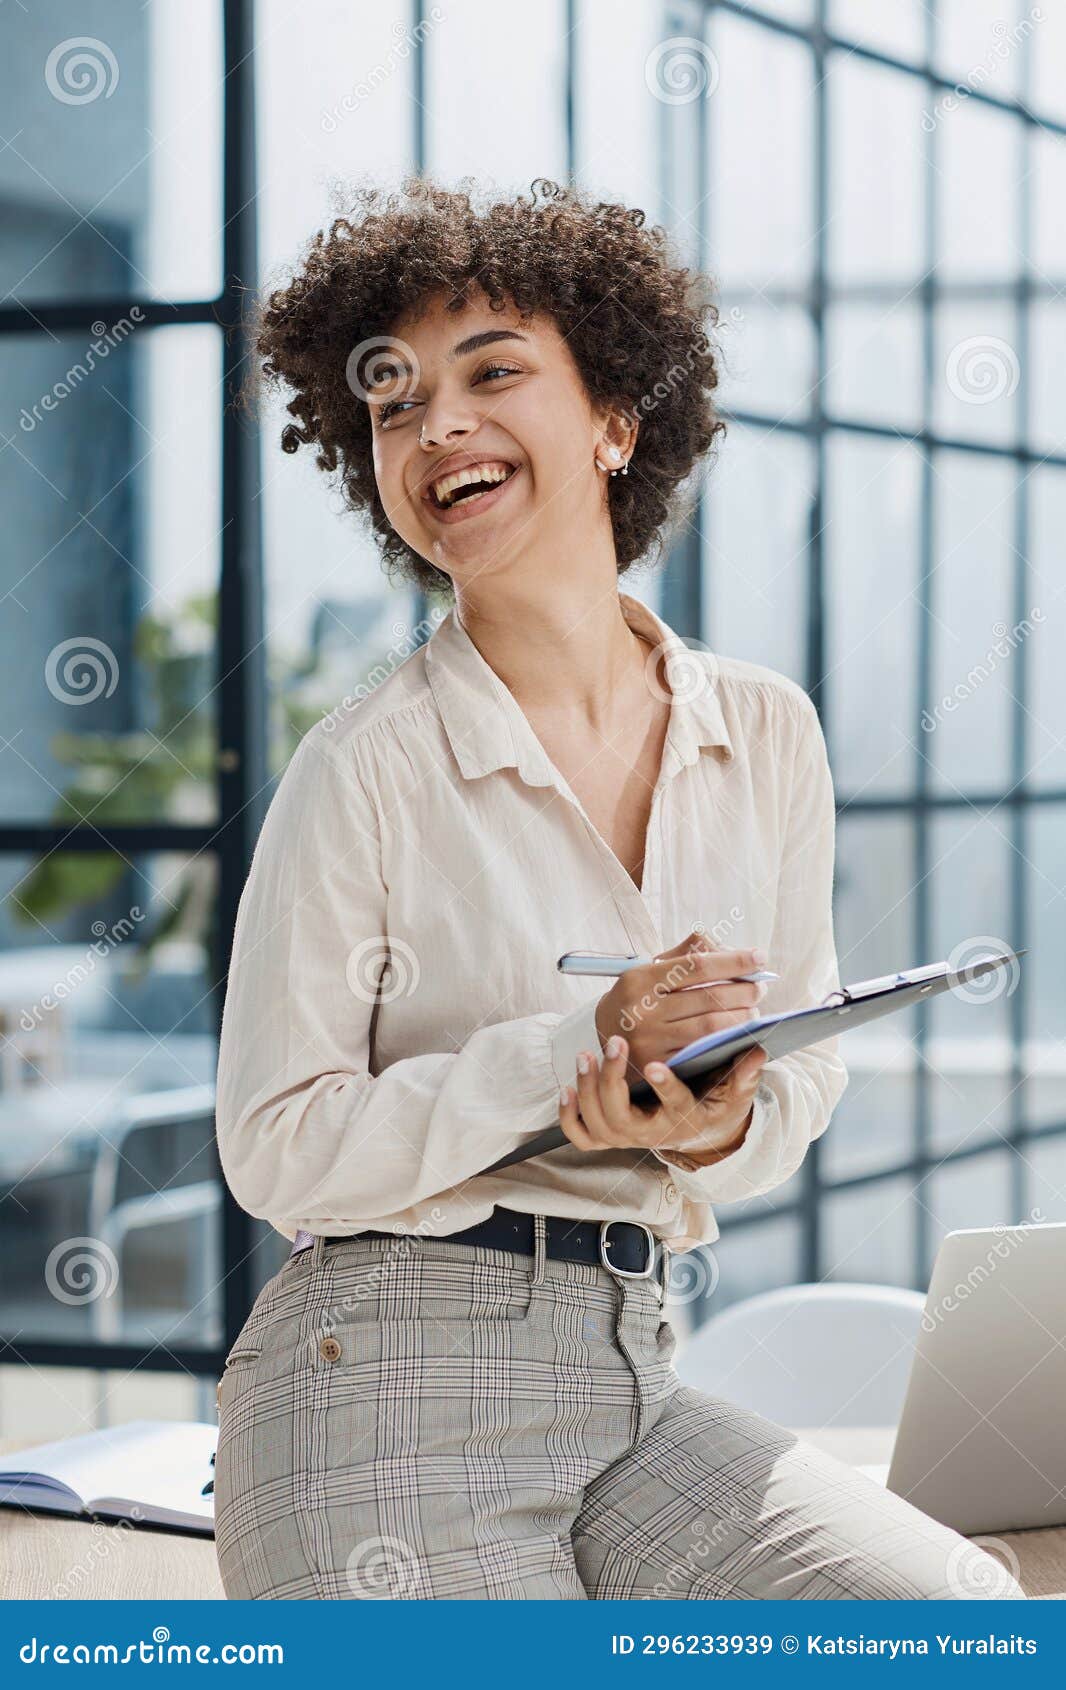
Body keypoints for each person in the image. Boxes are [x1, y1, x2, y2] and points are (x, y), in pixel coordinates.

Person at [212, 177, 1023, 1602]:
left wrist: (711, 1125)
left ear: (614, 423)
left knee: (958, 1624)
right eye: (395, 402)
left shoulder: (764, 732)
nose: (437, 425)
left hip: (632, 1368)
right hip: (379, 1369)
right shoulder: (365, 767)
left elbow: (796, 1078)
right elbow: (275, 1146)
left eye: (492, 374)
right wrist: (569, 1054)